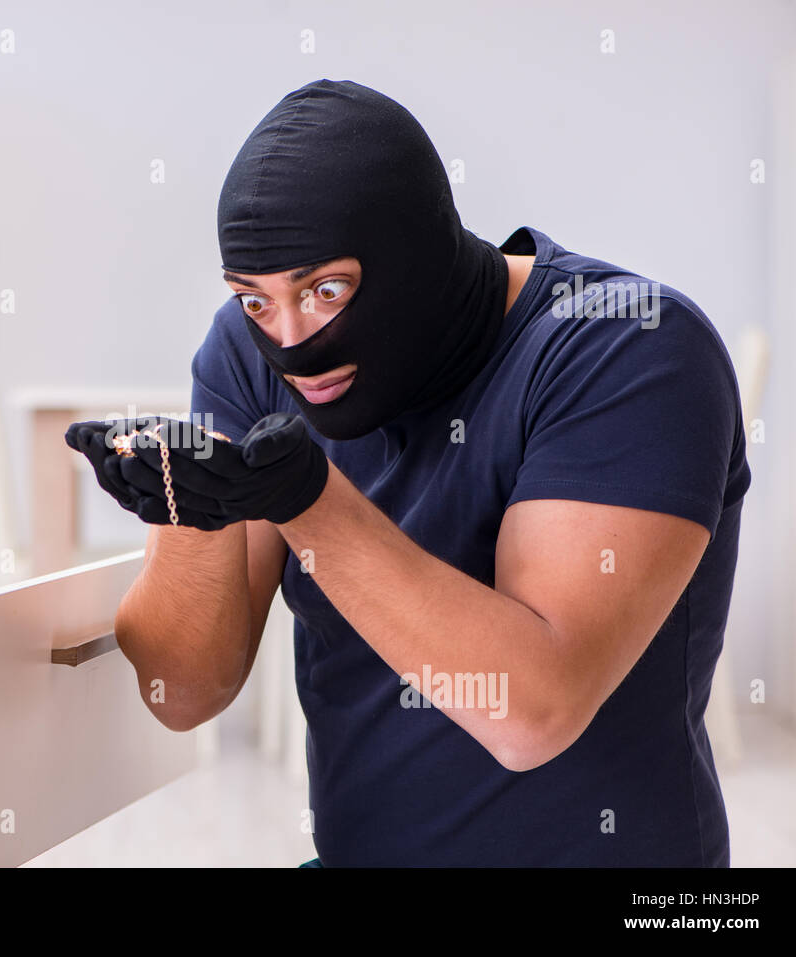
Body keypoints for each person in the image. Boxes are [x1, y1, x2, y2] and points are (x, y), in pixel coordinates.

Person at [64, 79, 751, 866]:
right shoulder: (247, 354)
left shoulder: (627, 347)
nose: (290, 342)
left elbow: (533, 713)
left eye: (325, 290)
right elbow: (184, 694)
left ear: (415, 258)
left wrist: (308, 500)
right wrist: (190, 510)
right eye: (255, 301)